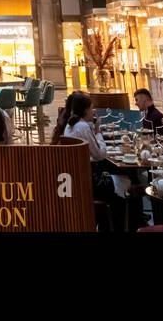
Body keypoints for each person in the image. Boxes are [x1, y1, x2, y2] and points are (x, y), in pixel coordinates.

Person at [52, 91, 127, 231]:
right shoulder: (83, 127)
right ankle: (120, 226)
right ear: (85, 110)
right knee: (126, 182)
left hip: (79, 178)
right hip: (91, 181)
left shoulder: (70, 125)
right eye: (91, 108)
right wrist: (97, 130)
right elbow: (99, 155)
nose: (93, 111)